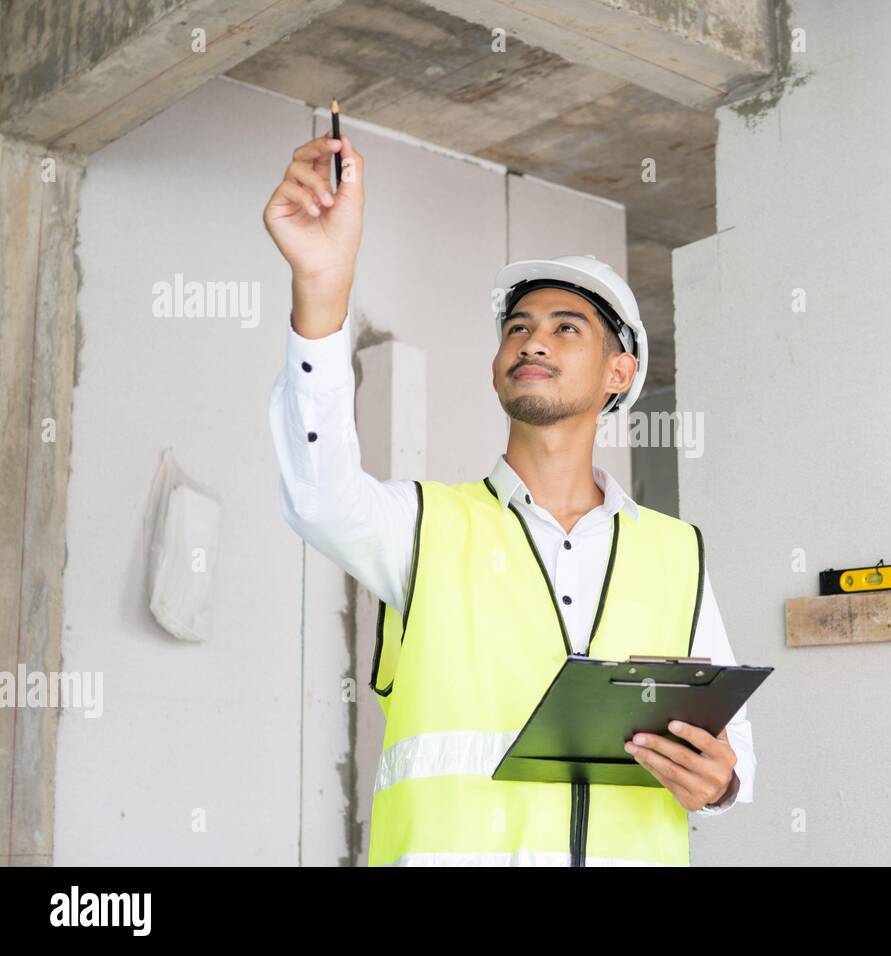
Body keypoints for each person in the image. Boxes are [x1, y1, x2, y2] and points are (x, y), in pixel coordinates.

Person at [263, 133, 754, 866]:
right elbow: (317, 492)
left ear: (619, 373)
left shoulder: (676, 552)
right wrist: (323, 288)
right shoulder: (425, 527)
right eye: (517, 328)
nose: (532, 341)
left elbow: (729, 749)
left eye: (565, 328)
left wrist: (719, 782)